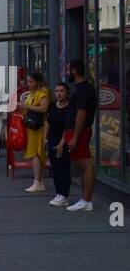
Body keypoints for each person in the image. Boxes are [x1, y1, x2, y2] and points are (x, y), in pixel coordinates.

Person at [64, 59, 98, 212]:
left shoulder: (83, 90)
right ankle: (85, 199)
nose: (66, 73)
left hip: (81, 131)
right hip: (78, 131)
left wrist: (75, 136)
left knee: (85, 164)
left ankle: (86, 199)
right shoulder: (80, 88)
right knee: (81, 164)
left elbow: (81, 114)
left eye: (68, 69)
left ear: (74, 71)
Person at [20, 69, 50, 194]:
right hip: (31, 128)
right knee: (35, 153)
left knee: (37, 154)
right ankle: (40, 181)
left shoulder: (42, 93)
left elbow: (44, 108)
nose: (28, 83)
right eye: (27, 81)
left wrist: (26, 106)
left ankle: (37, 181)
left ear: (38, 82)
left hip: (39, 128)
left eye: (31, 81)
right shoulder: (32, 93)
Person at [45, 81, 75, 208]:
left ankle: (65, 195)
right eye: (57, 91)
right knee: (55, 168)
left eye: (62, 91)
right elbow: (48, 122)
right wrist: (44, 138)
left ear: (67, 93)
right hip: (52, 138)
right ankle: (58, 193)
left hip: (64, 140)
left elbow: (68, 128)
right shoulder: (52, 105)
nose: (59, 93)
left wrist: (61, 144)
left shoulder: (70, 108)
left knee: (64, 167)